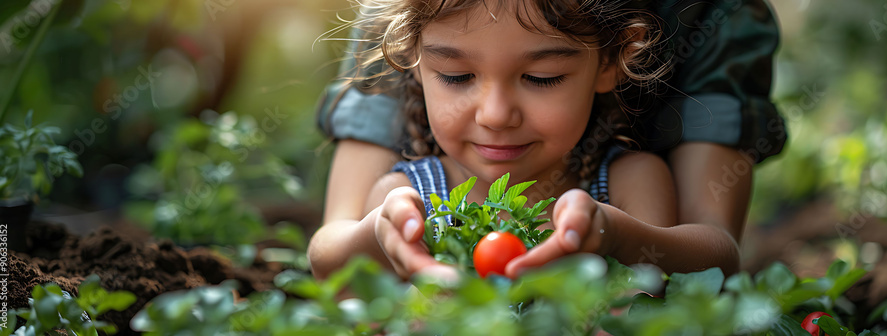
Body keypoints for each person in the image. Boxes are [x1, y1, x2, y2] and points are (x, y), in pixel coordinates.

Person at [309, 0, 787, 280]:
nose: (495, 116)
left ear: (611, 62)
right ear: (411, 57)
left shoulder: (632, 180)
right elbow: (337, 264)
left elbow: (708, 261)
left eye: (541, 77)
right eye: (455, 76)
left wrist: (617, 236)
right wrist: (376, 236)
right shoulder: (403, 193)